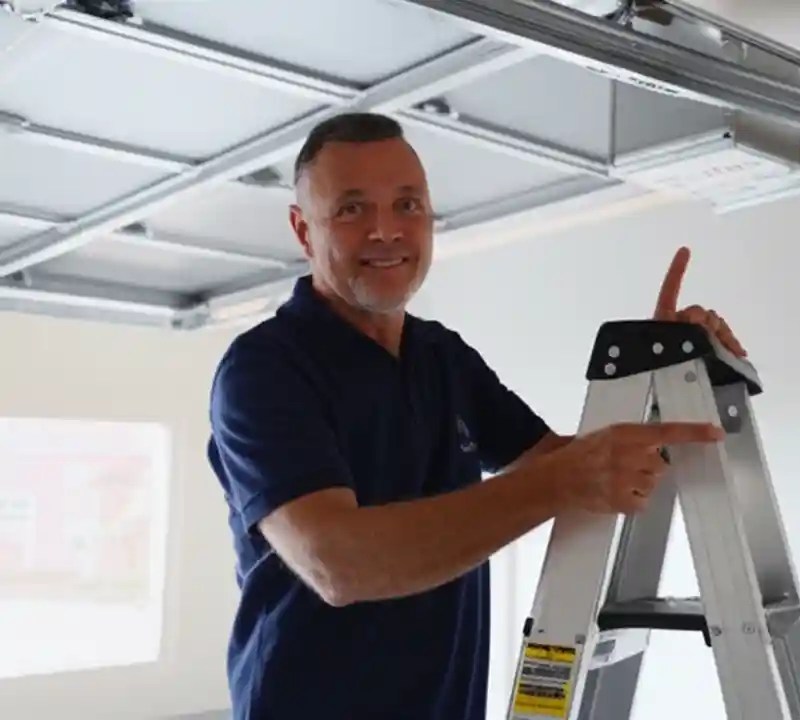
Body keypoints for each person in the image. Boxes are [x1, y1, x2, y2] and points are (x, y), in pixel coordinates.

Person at [205, 111, 750, 720]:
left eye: (407, 204)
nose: (387, 231)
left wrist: (661, 368)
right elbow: (338, 563)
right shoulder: (265, 369)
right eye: (353, 210)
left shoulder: (443, 358)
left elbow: (580, 469)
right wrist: (561, 480)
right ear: (304, 230)